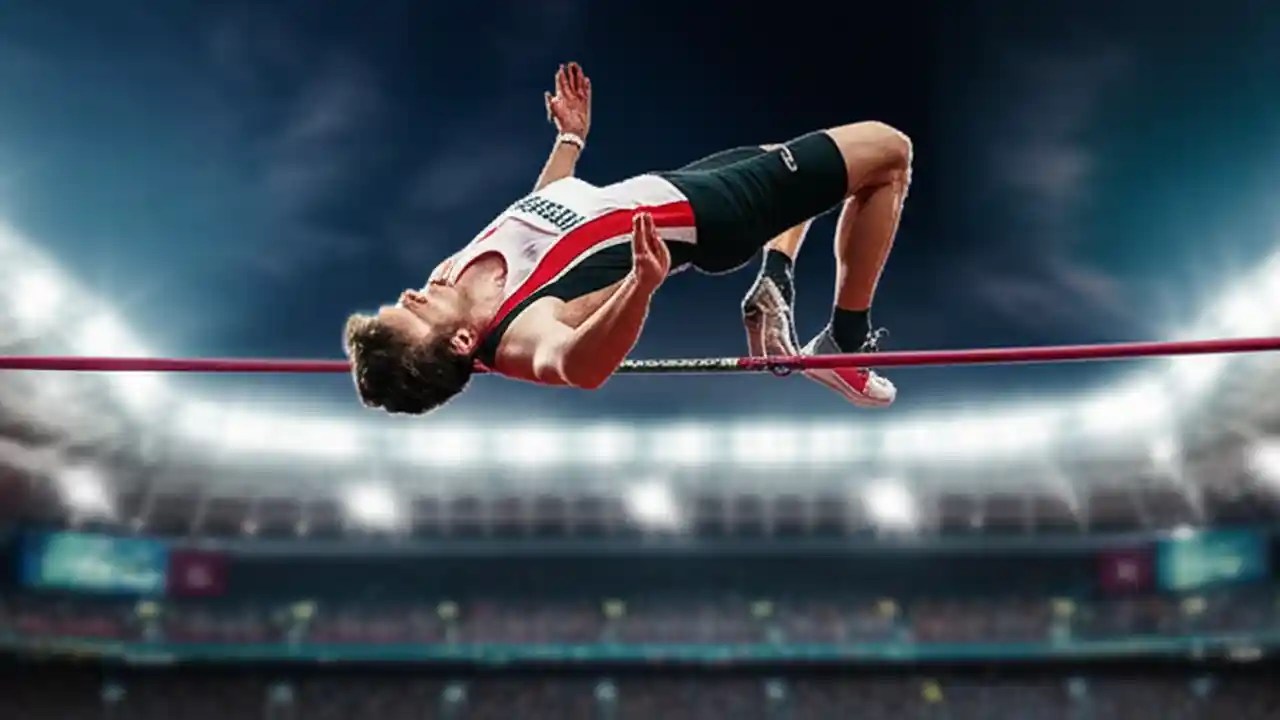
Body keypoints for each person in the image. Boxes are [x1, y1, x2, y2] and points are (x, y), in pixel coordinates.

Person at [344, 62, 910, 414]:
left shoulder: (448, 275)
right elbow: (580, 368)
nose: (412, 296)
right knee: (888, 153)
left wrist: (569, 139)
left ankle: (775, 280)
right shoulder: (519, 336)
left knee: (794, 162)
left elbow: (540, 213)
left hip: (678, 184)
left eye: (401, 301)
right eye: (412, 314)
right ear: (464, 342)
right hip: (716, 214)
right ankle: (844, 342)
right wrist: (639, 286)